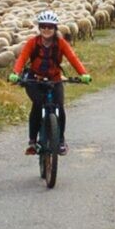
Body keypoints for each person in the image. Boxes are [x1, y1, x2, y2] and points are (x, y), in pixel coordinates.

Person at [9, 10, 90, 155]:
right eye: (43, 26)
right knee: (38, 104)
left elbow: (73, 58)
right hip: (35, 79)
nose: (46, 30)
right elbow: (22, 58)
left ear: (55, 29)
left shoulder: (61, 43)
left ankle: (60, 141)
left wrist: (83, 74)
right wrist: (15, 73)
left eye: (50, 27)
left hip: (55, 79)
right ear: (39, 28)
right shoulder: (32, 43)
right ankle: (33, 141)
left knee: (60, 106)